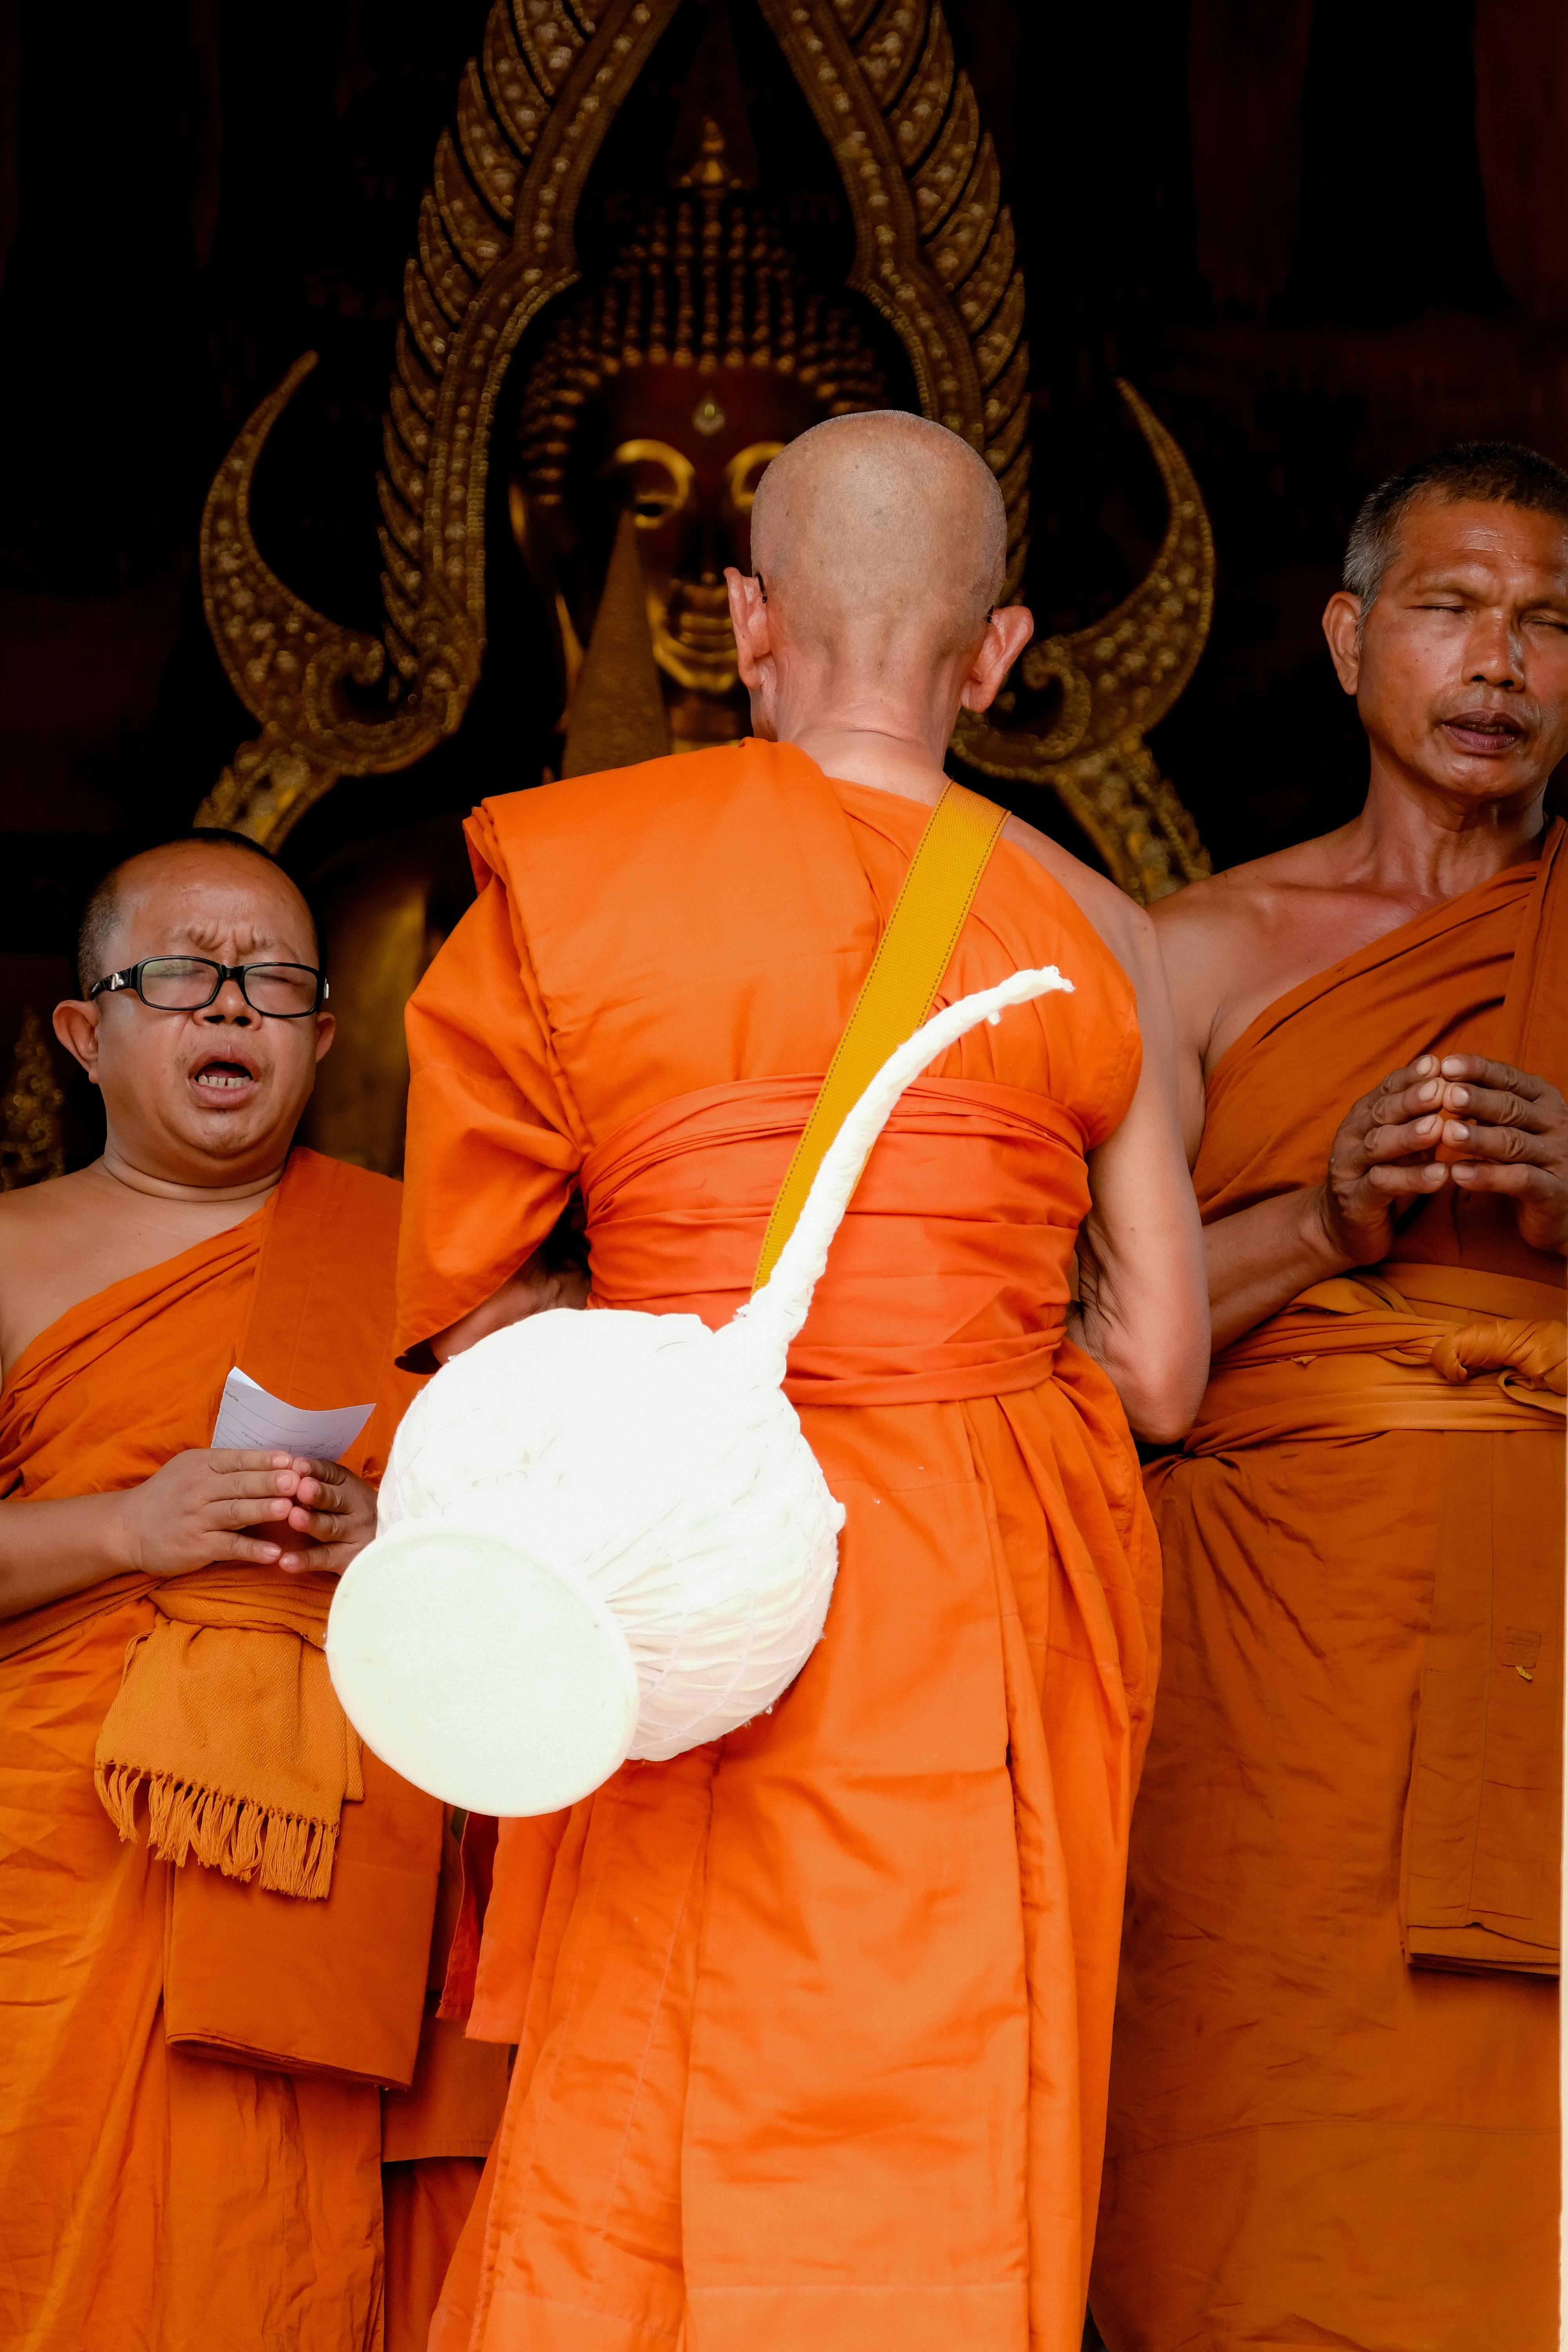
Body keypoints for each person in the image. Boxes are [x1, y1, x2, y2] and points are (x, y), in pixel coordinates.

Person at [394, 410, 1209, 2352]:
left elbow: (469, 1322)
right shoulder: (1094, 932)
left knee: (648, 2084)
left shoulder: (569, 872)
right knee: (943, 2086)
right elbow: (1165, 1371)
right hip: (973, 1582)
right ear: (996, 656)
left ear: (747, 620)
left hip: (681, 1587)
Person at [1090, 445, 1567, 2349]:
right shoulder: (1197, 956)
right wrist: (1328, 1211)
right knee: (1264, 2142)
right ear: (1352, 640)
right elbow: (1086, 1358)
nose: (1499, 663)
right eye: (1452, 610)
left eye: (1546, 622)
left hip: (1542, 1618)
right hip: (1269, 1657)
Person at [0, 832, 506, 2352]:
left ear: (324, 1036)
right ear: (86, 1034)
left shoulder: (422, 1260)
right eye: (182, 975)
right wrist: (133, 1528)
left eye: (273, 981)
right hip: (65, 1855)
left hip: (344, 1872)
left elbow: (544, 1570)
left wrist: (392, 1538)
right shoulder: (13, 1258)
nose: (231, 1008)